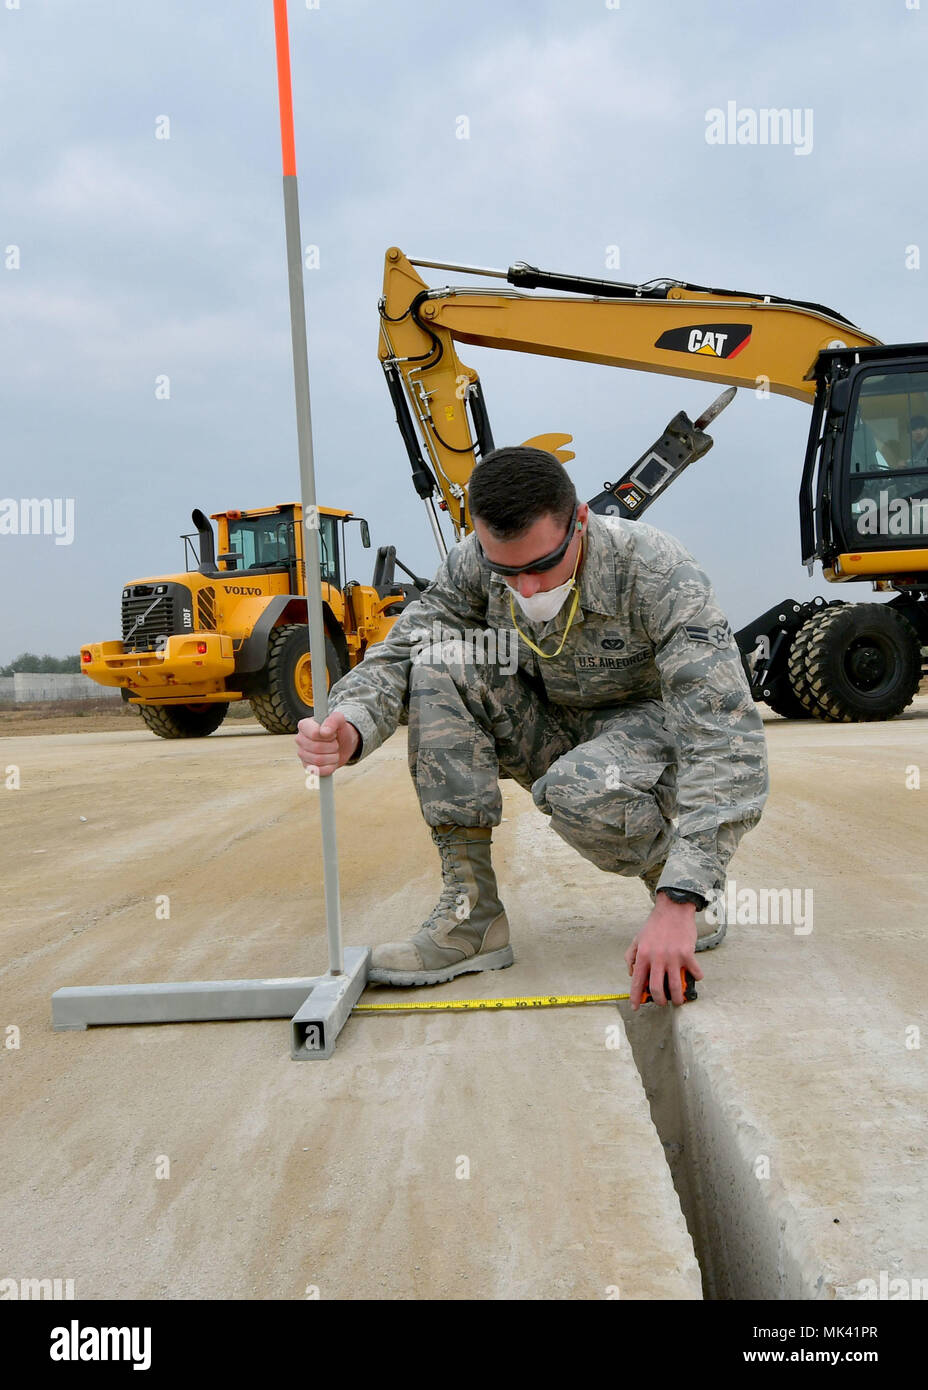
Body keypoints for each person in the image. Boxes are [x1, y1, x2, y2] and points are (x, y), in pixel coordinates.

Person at [295, 446, 769, 1009]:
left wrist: (683, 895)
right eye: (506, 572)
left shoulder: (658, 571)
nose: (524, 589)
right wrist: (350, 721)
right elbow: (404, 648)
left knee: (580, 788)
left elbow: (724, 734)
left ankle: (678, 884)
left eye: (542, 566)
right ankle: (472, 918)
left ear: (581, 522)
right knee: (438, 663)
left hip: (644, 731)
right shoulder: (473, 563)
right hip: (547, 720)